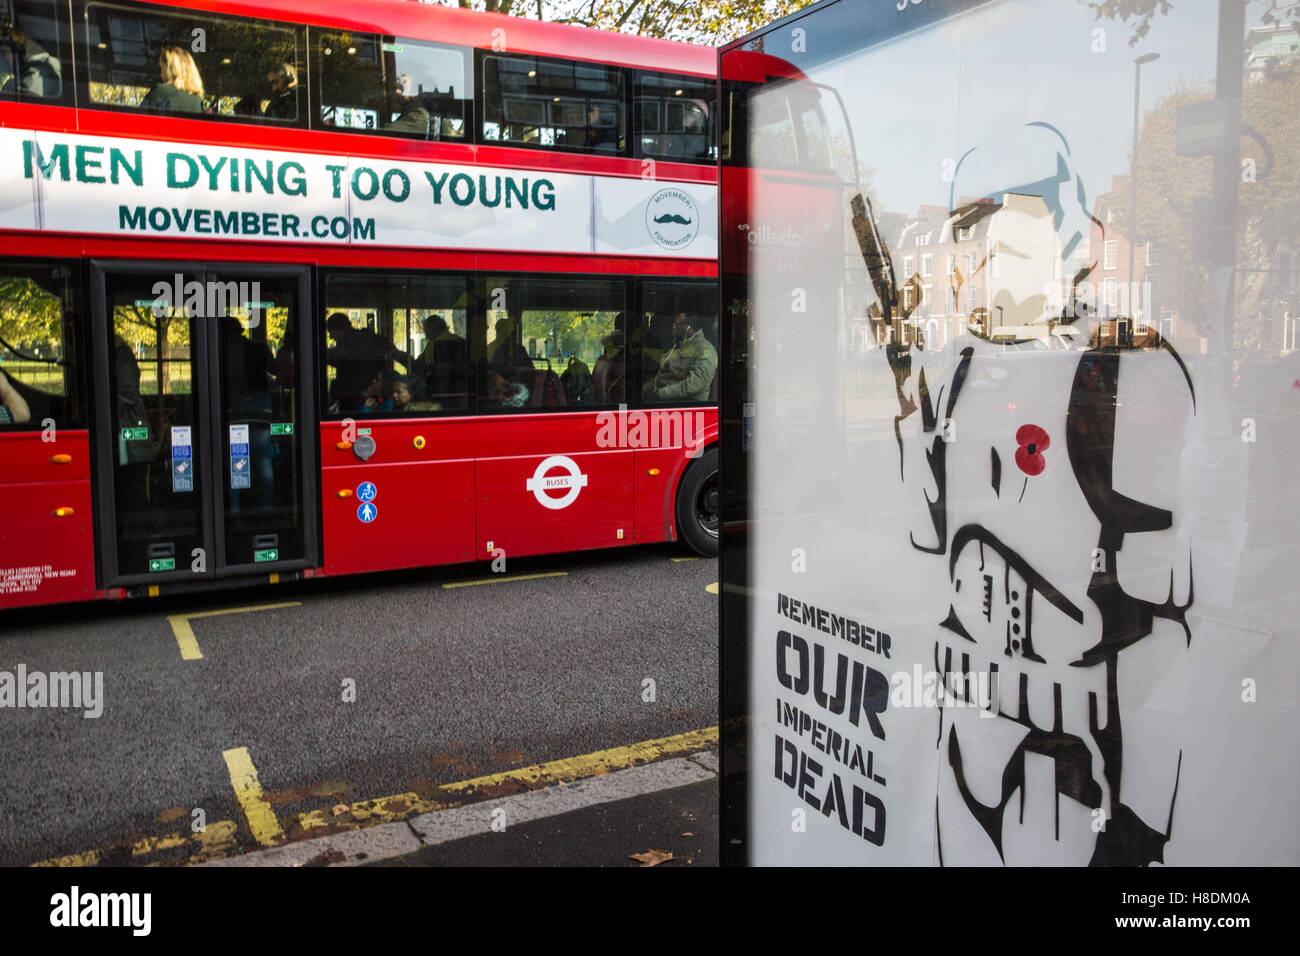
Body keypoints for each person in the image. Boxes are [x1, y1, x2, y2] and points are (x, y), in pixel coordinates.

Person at [325, 312, 393, 412]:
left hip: (356, 399)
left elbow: (335, 357)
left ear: (339, 330)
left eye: (331, 332)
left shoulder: (351, 342)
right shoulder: (364, 338)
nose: (331, 337)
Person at [643, 311, 717, 402]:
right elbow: (666, 376)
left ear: (688, 326)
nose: (673, 327)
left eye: (676, 324)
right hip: (668, 400)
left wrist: (660, 394)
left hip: (687, 405)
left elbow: (695, 384)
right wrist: (646, 388)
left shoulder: (705, 349)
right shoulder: (679, 346)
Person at [0, 19, 61, 98]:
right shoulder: (48, 62)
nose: (7, 56)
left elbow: (8, 93)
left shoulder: (31, 77)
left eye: (8, 52)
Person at [141, 46, 204, 113]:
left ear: (169, 70)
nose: (161, 73)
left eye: (162, 68)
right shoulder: (197, 101)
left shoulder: (160, 92)